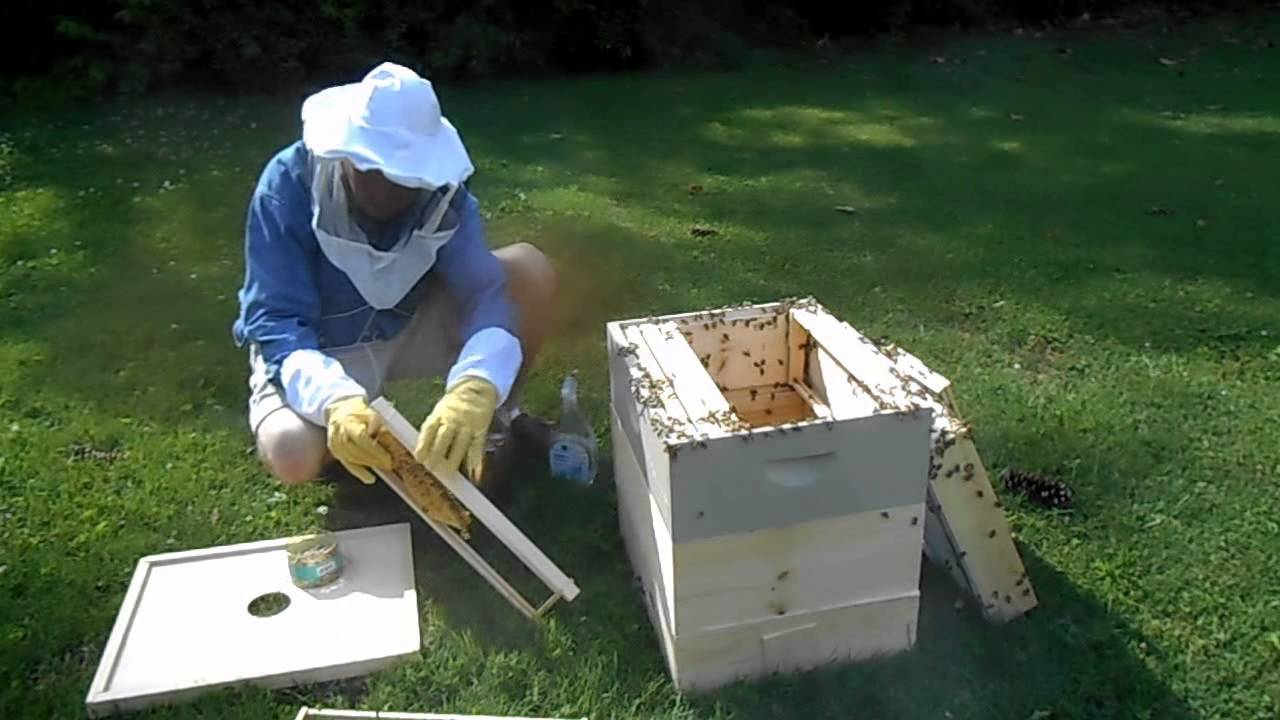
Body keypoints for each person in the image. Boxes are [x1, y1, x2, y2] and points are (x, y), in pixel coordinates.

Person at [232, 62, 555, 492]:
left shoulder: (444, 192)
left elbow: (486, 295)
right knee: (291, 451)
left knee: (527, 269)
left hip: (407, 327)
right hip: (322, 347)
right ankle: (346, 447)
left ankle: (492, 426)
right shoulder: (288, 184)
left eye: (404, 177)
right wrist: (333, 402)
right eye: (371, 169)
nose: (386, 189)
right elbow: (275, 320)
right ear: (343, 150)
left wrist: (475, 386)